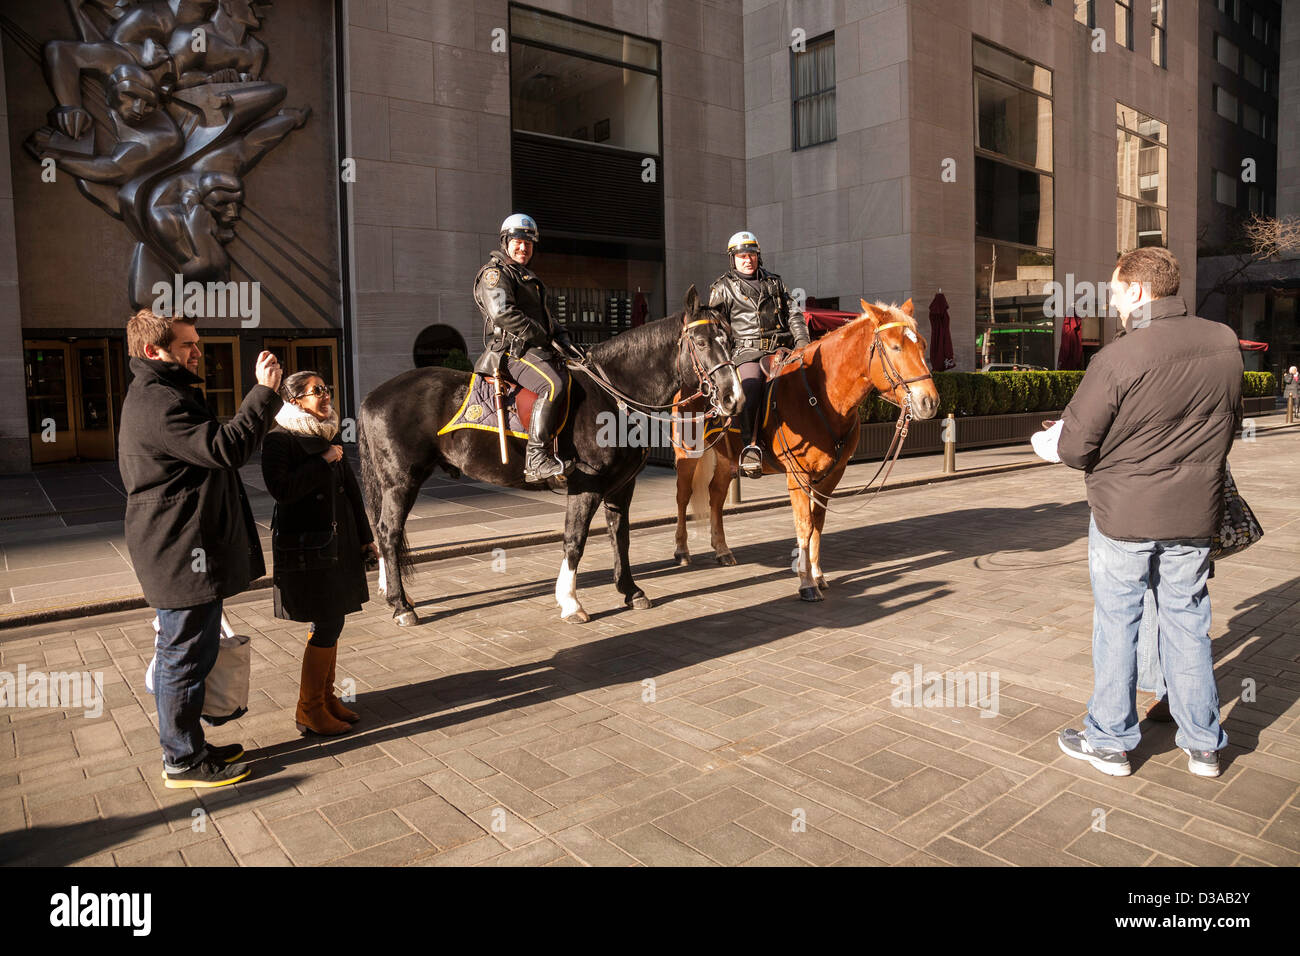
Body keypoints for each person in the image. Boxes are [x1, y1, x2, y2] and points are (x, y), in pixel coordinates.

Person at [1055, 247, 1243, 779]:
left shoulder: (1117, 357)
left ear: (1137, 291)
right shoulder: (1225, 343)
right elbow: (1229, 422)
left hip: (1124, 516)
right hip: (1195, 513)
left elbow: (1073, 448)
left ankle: (1111, 740)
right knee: (1188, 620)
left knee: (1118, 622)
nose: (1113, 304)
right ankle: (1204, 743)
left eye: (1115, 292)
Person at [118, 308, 282, 788]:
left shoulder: (166, 393)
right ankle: (183, 761)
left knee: (193, 650)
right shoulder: (160, 402)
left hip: (186, 547)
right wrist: (264, 393)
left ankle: (191, 745)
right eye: (187, 344)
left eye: (196, 342)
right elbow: (226, 447)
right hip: (179, 550)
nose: (197, 351)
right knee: (182, 656)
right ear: (153, 351)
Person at [262, 371, 375, 736]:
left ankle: (324, 699)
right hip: (308, 546)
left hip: (337, 541)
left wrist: (364, 536)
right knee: (326, 621)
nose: (325, 396)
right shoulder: (279, 439)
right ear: (294, 399)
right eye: (316, 391)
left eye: (327, 389)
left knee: (334, 619)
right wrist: (321, 460)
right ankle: (308, 709)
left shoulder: (327, 432)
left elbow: (350, 490)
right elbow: (281, 490)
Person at [472, 213, 583, 483]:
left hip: (530, 349)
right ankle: (535, 459)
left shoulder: (524, 275)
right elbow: (503, 314)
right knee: (552, 385)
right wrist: (543, 336)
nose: (523, 247)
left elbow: (543, 316)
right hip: (509, 352)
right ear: (506, 242)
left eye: (529, 243)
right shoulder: (495, 274)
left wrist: (563, 335)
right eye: (518, 241)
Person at [707, 230, 809, 478]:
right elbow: (715, 331)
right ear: (733, 259)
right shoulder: (722, 288)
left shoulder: (776, 282)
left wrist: (804, 342)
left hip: (781, 349)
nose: (747, 259)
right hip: (746, 353)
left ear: (758, 256)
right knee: (751, 387)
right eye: (742, 255)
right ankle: (750, 447)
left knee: (808, 381)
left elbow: (793, 315)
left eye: (751, 254)